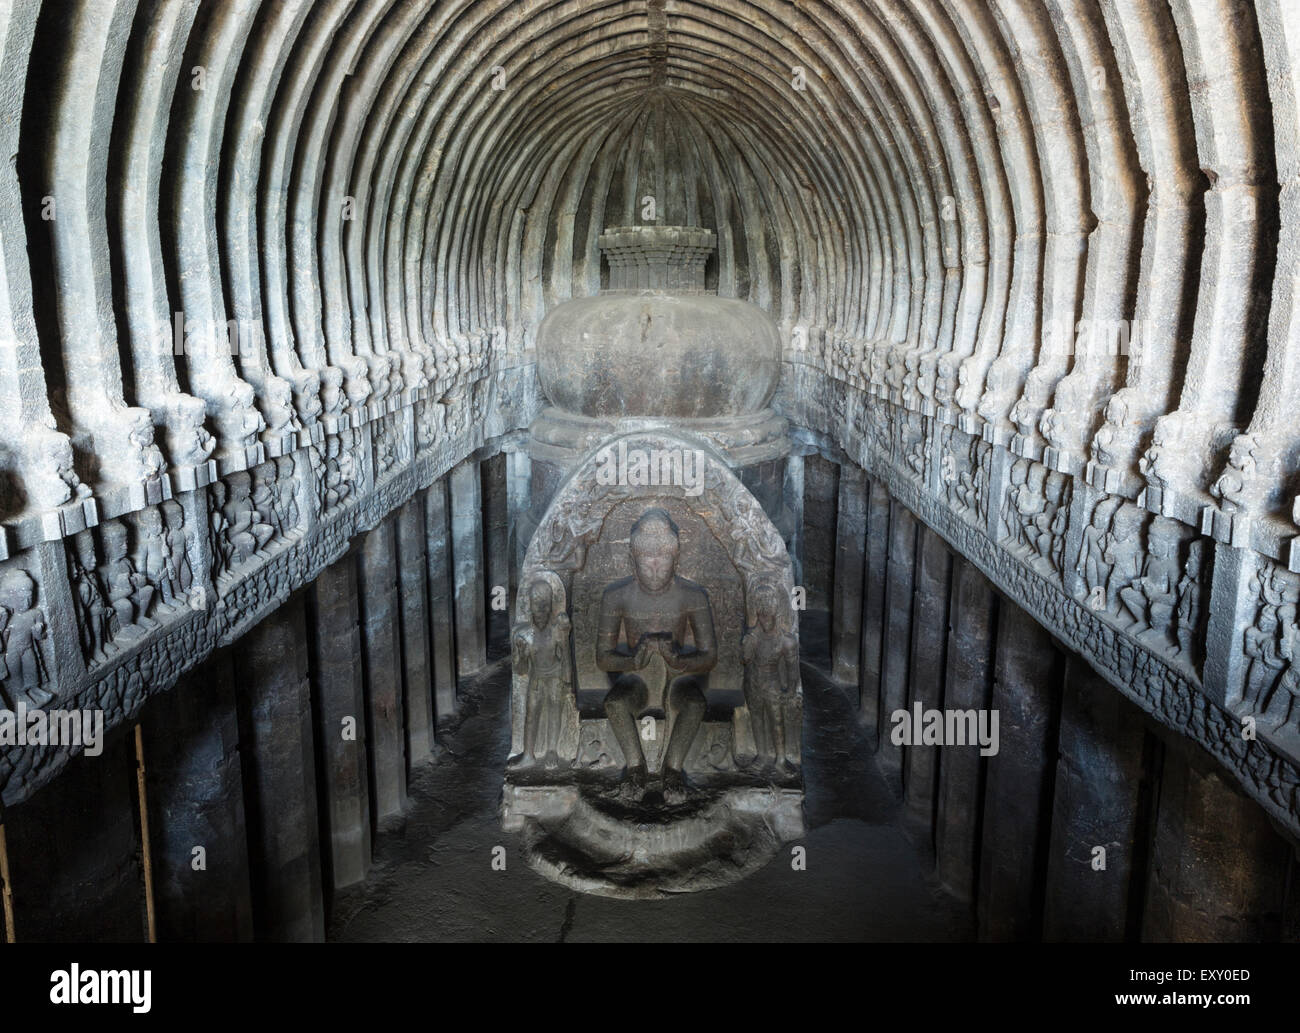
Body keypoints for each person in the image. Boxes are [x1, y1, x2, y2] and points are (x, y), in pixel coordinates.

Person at [595, 508, 716, 791]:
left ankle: (672, 771)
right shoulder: (616, 596)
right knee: (614, 703)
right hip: (636, 678)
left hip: (678, 678)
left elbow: (710, 656)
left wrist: (678, 661)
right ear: (632, 560)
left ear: (675, 558)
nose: (654, 569)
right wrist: (634, 661)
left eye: (662, 561)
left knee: (695, 704)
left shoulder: (692, 596)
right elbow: (602, 658)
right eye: (646, 562)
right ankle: (636, 769)